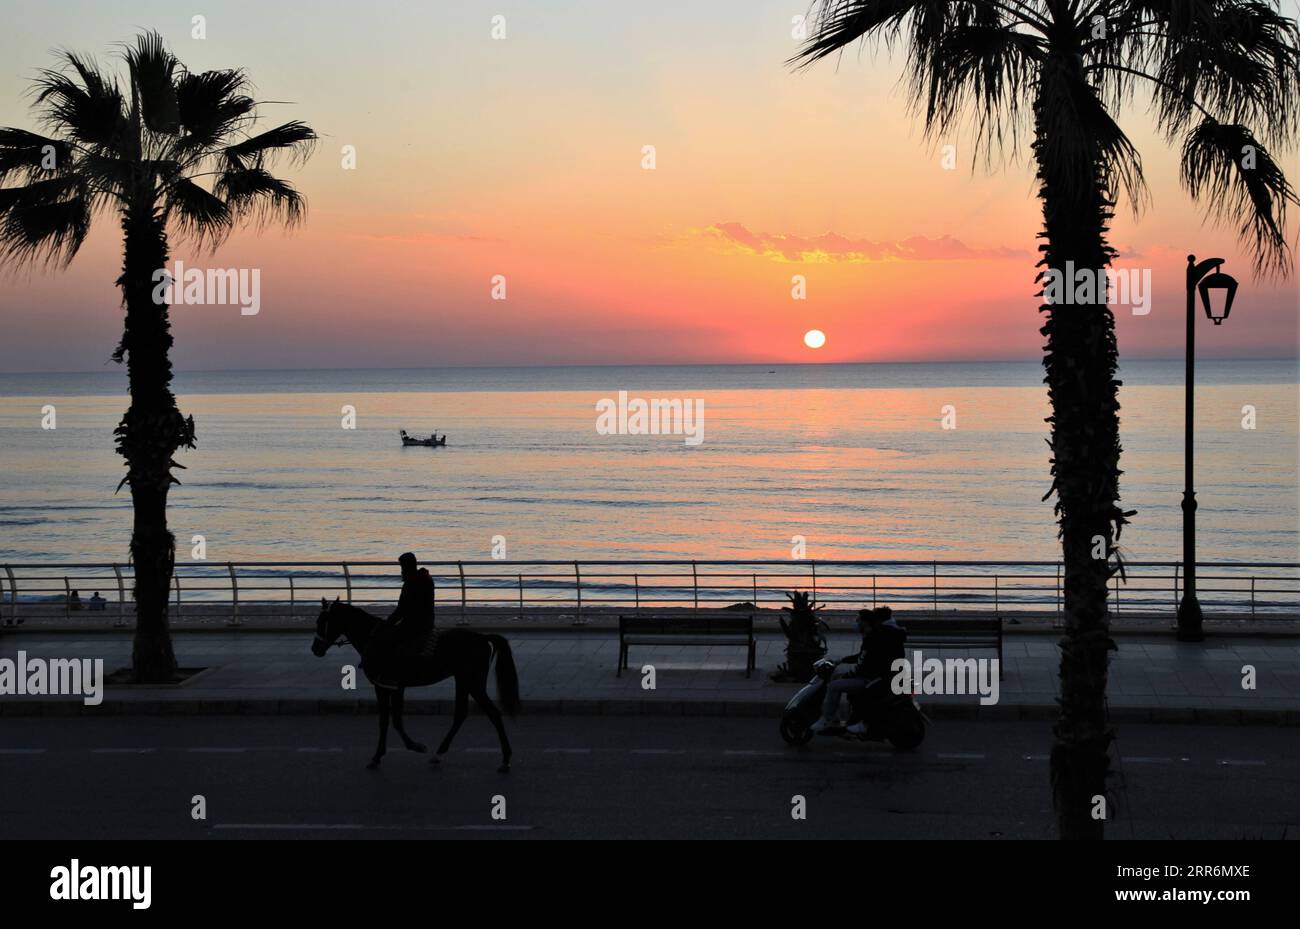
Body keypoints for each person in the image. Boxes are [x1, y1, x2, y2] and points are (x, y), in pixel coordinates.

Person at [811, 606, 906, 734]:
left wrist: (851, 674)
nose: (856, 623)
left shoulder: (878, 637)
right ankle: (839, 717)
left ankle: (828, 719)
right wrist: (842, 660)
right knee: (837, 677)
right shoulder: (885, 634)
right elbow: (864, 657)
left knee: (834, 686)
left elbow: (868, 664)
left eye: (858, 620)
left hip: (876, 678)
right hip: (881, 675)